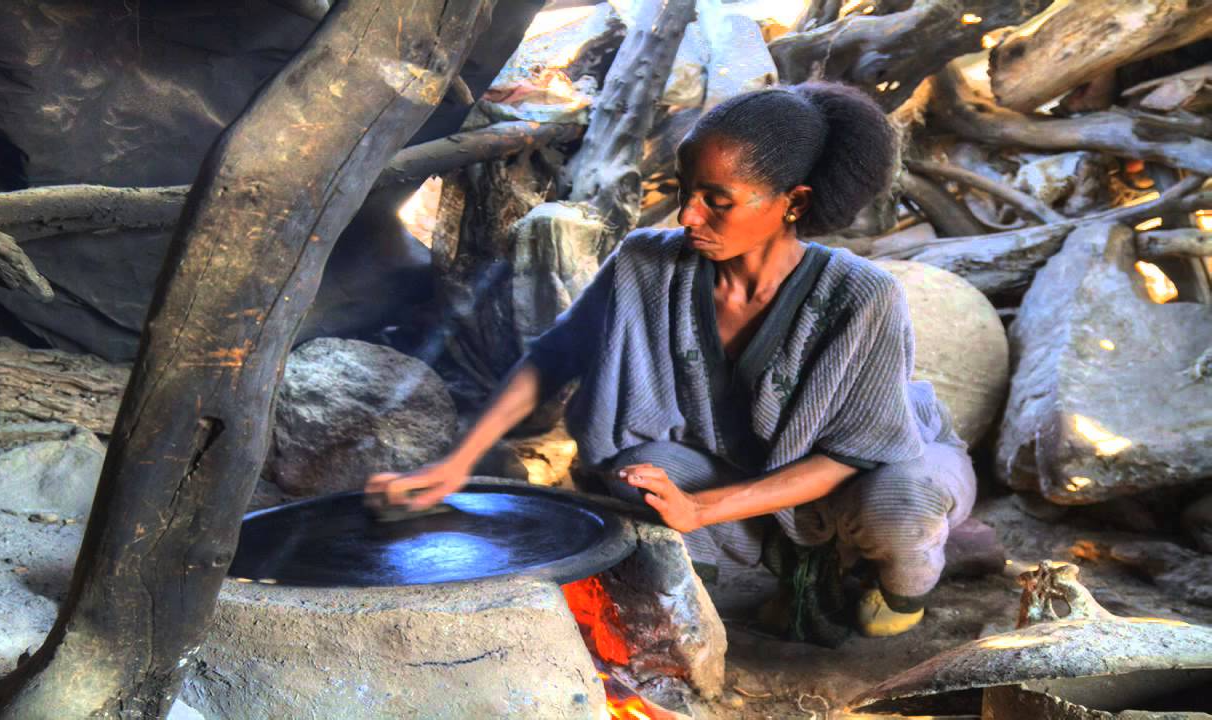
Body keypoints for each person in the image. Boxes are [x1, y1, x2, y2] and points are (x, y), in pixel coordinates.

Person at [369, 82, 976, 639]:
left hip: (868, 479)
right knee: (641, 473)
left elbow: (852, 452)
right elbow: (553, 356)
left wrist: (702, 510)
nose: (687, 216)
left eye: (718, 201)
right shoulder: (646, 265)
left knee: (903, 505)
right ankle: (724, 590)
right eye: (687, 192)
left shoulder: (863, 296)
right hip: (748, 484)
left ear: (793, 203)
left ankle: (898, 588)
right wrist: (459, 462)